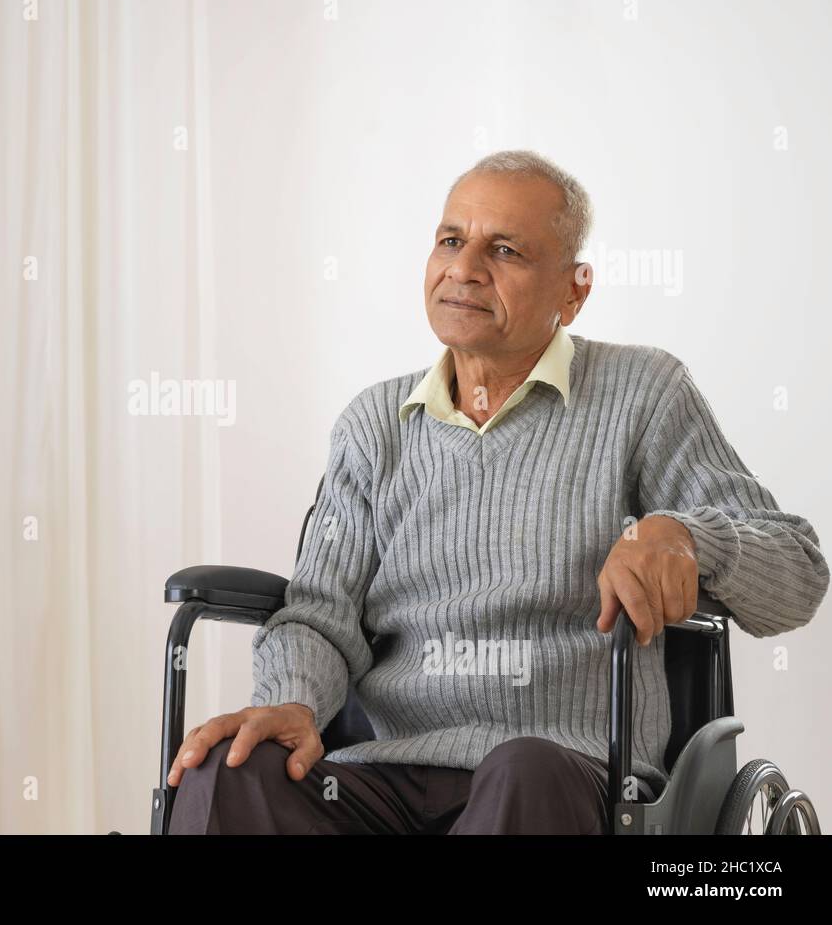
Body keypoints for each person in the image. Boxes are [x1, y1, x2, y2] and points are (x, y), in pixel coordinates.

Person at [166, 150, 830, 834]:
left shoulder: (643, 395)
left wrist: (689, 536)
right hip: (383, 775)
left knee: (521, 770)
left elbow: (800, 573)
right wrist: (293, 700)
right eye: (451, 240)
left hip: (565, 772)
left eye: (504, 249)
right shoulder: (374, 425)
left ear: (574, 292)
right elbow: (319, 615)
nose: (464, 268)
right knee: (226, 769)